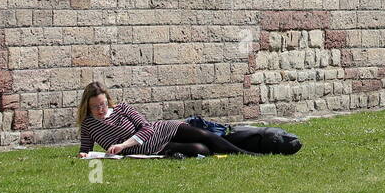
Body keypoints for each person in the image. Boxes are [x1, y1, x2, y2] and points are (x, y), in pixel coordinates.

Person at [76, 81, 257, 158]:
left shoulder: (122, 108)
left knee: (204, 135)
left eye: (103, 104)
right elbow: (86, 149)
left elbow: (147, 128)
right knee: (200, 149)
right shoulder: (88, 124)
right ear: (87, 106)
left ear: (108, 100)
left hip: (161, 130)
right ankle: (229, 149)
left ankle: (247, 153)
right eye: (95, 107)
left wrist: (123, 145)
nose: (100, 110)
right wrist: (84, 154)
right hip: (153, 147)